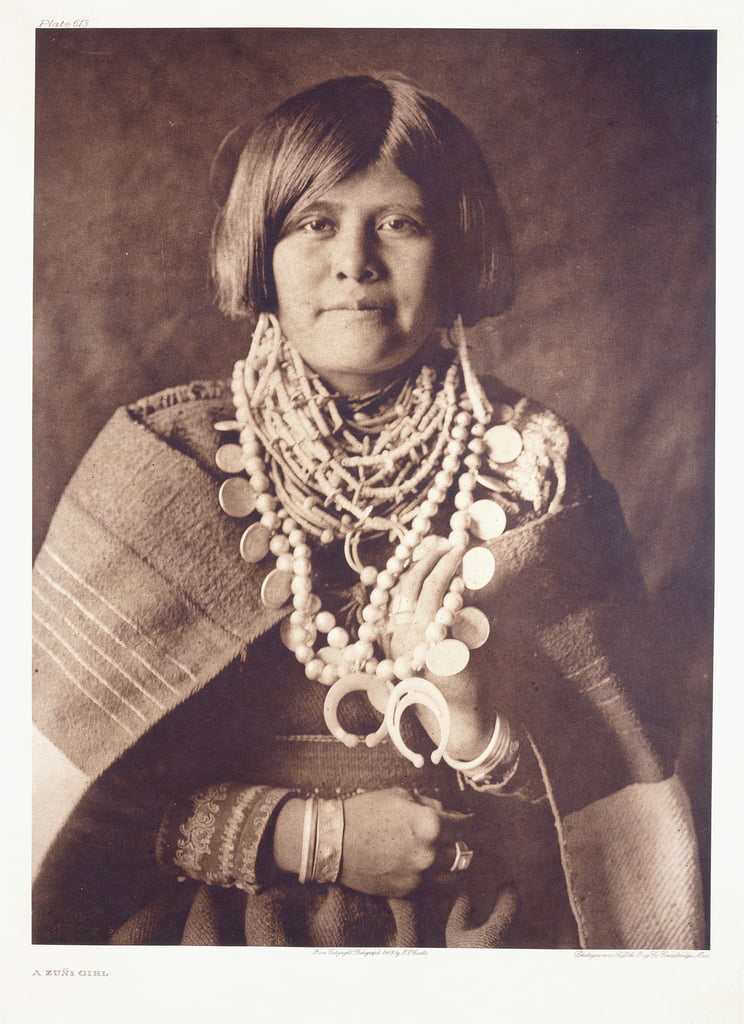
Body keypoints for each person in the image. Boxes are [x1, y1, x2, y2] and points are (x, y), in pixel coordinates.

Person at [32, 73, 704, 948]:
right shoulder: (167, 461)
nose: (355, 259)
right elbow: (53, 802)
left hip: (477, 940)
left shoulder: (533, 471)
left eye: (400, 223)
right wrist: (317, 839)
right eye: (315, 223)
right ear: (262, 251)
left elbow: (619, 820)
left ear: (456, 252)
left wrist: (477, 735)